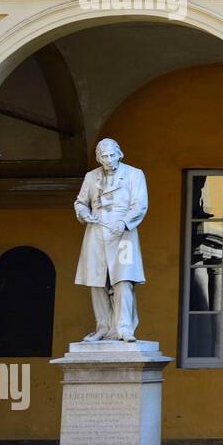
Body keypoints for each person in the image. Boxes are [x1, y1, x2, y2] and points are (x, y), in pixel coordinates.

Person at [74, 139, 148, 342]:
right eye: (104, 157)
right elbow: (81, 202)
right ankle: (103, 327)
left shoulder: (134, 174)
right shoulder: (91, 177)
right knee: (96, 281)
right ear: (98, 158)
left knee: (123, 280)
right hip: (96, 231)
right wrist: (84, 213)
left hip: (123, 233)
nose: (108, 160)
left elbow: (140, 204)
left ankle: (124, 328)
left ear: (119, 154)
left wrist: (124, 222)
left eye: (112, 155)